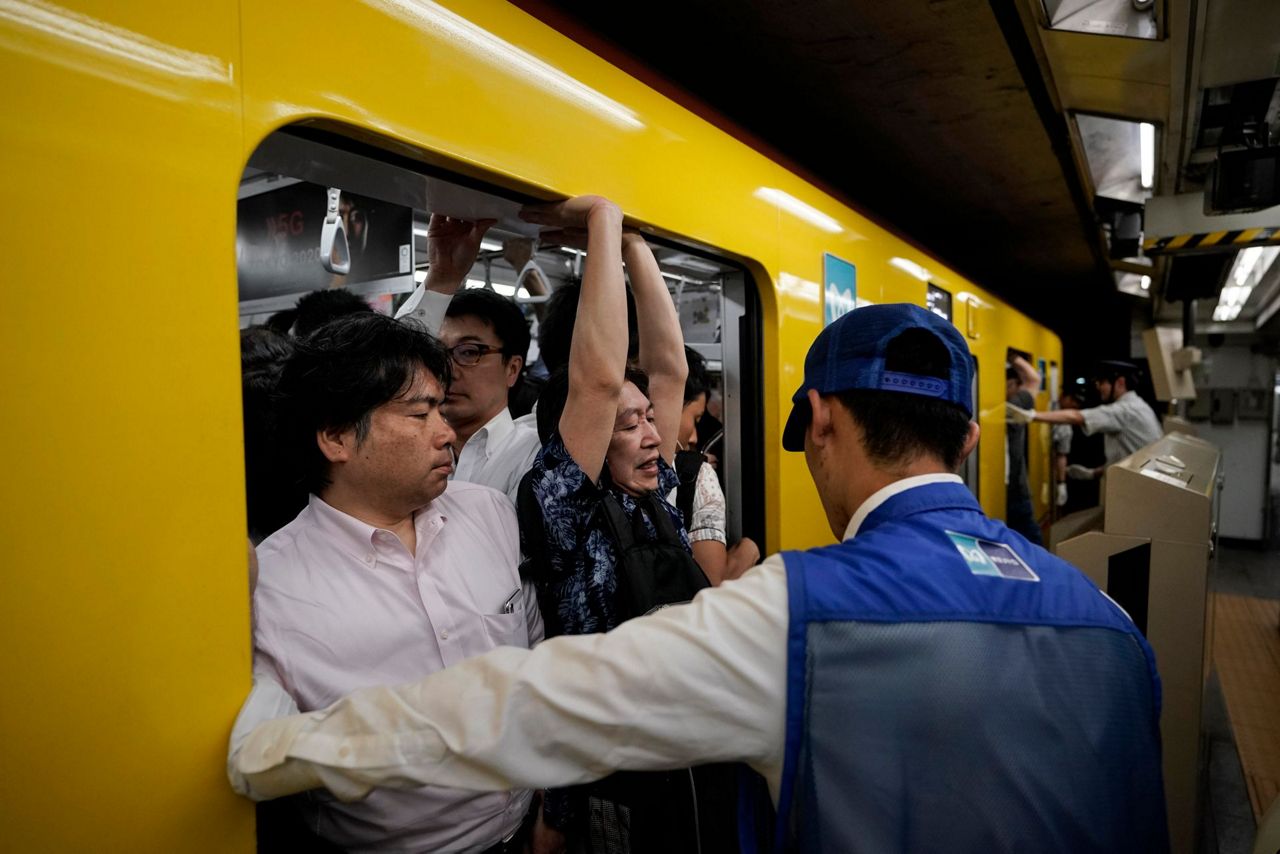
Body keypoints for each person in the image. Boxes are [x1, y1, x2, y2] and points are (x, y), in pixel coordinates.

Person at [231, 302, 1170, 854]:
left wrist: (277, 752)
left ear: (824, 423)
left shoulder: (792, 617)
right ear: (969, 441)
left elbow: (533, 706)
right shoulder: (1113, 622)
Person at [246, 312, 546, 853]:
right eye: (419, 413)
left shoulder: (489, 514)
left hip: (527, 830)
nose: (446, 431)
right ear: (336, 437)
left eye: (440, 407)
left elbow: (532, 646)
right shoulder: (274, 588)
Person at [394, 214, 541, 502]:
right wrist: (442, 278)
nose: (447, 370)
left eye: (469, 352)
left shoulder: (532, 454)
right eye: (438, 353)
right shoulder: (413, 452)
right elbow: (388, 370)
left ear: (512, 369)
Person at [671, 346, 759, 584]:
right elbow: (711, 586)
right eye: (695, 418)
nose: (694, 438)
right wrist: (748, 552)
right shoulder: (699, 477)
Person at [1008, 359, 1163, 479]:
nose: (1098, 387)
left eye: (1102, 382)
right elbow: (1128, 454)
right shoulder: (1139, 406)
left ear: (1120, 383)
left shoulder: (1126, 409)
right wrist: (1093, 473)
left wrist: (1031, 415)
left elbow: (1077, 416)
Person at [1004, 353, 1043, 544]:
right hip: (1017, 491)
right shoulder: (1011, 408)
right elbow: (1034, 379)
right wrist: (1012, 357)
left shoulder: (1010, 407)